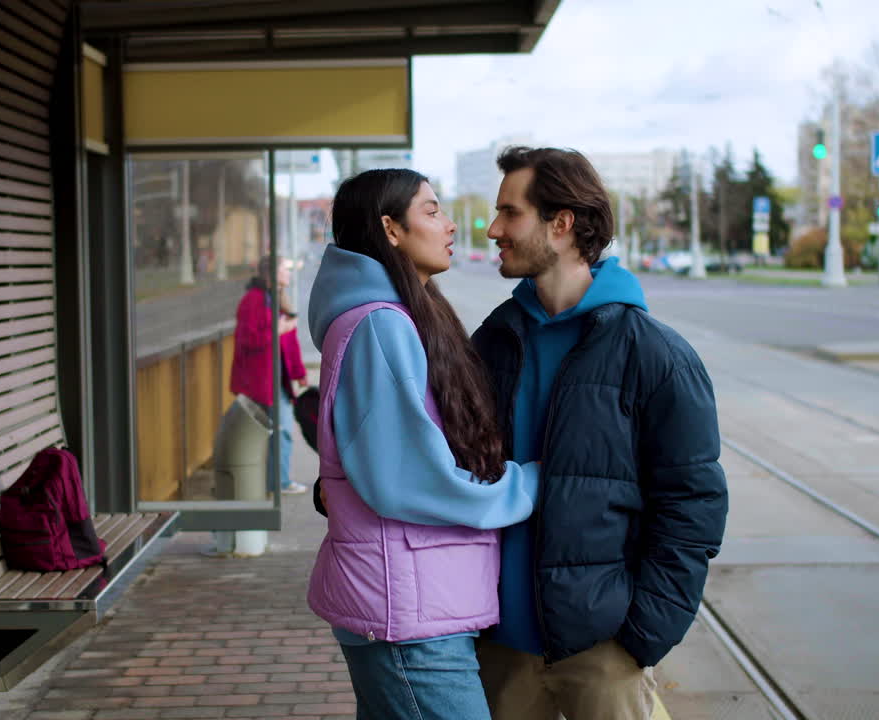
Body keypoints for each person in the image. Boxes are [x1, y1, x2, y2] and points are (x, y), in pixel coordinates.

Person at [471, 146, 729, 720]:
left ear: (560, 225)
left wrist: (641, 635)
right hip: (498, 648)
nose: (493, 229)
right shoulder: (491, 343)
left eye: (509, 213)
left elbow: (693, 503)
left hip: (604, 649)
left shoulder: (656, 355)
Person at [306, 169, 541, 720]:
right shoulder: (380, 326)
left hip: (415, 604)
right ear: (390, 229)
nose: (451, 224)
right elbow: (408, 478)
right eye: (432, 211)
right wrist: (529, 483)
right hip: (407, 618)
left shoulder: (393, 318)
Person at [229, 255, 309, 494]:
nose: (289, 273)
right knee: (276, 431)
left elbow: (289, 343)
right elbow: (247, 340)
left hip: (276, 380)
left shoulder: (278, 299)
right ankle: (277, 482)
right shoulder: (253, 301)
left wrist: (299, 372)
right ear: (272, 273)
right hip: (260, 381)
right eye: (286, 268)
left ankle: (274, 481)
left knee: (277, 431)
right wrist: (278, 330)